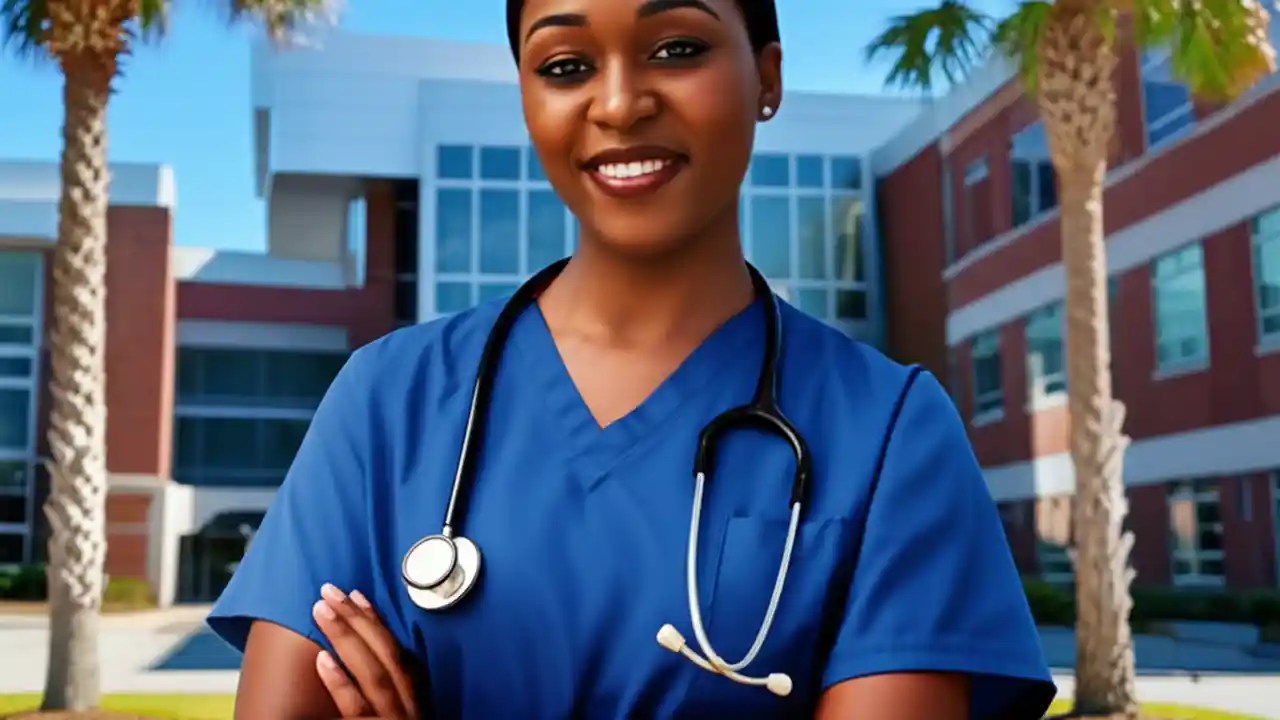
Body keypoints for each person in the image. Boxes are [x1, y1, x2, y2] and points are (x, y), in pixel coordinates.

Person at [206, 0, 1057, 717]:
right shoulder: (389, 401)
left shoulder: (891, 431)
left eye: (677, 49)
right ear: (527, 99)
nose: (618, 104)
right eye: (566, 65)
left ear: (767, 77)